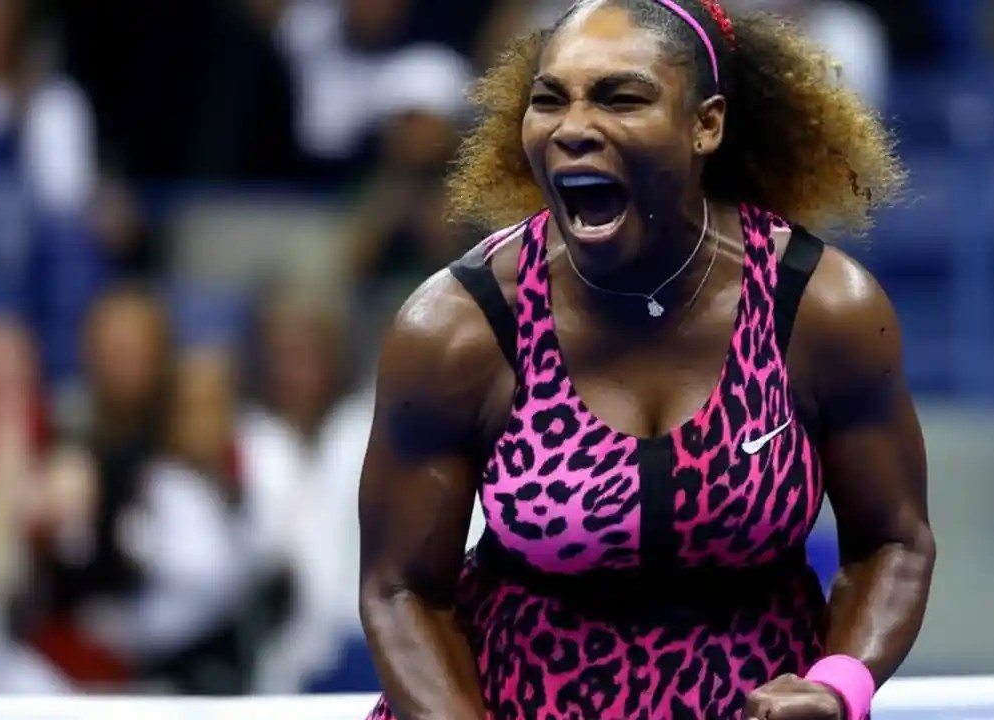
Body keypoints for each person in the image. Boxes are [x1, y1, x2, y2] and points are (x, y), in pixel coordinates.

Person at [358, 1, 934, 718]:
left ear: (706, 124)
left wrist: (836, 686)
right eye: (549, 100)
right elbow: (400, 588)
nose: (572, 129)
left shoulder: (822, 308)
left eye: (619, 98)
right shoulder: (457, 327)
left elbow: (894, 542)